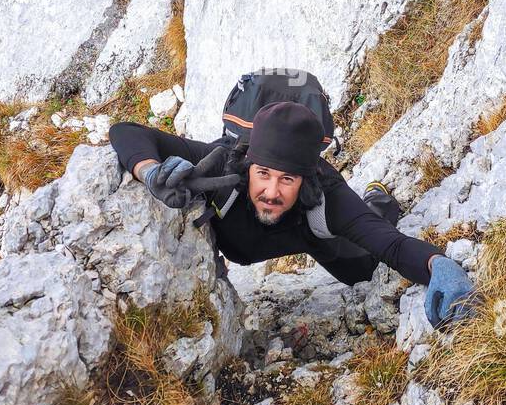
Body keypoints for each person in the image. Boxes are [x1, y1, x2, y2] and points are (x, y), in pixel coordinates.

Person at [108, 100, 476, 328]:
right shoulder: (220, 164)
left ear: (304, 180)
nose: (271, 191)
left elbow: (393, 247)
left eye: (287, 179)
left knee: (364, 270)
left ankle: (378, 201)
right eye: (263, 174)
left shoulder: (325, 200)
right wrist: (150, 172)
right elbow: (125, 131)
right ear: (248, 164)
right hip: (239, 241)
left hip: (309, 238)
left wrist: (437, 265)